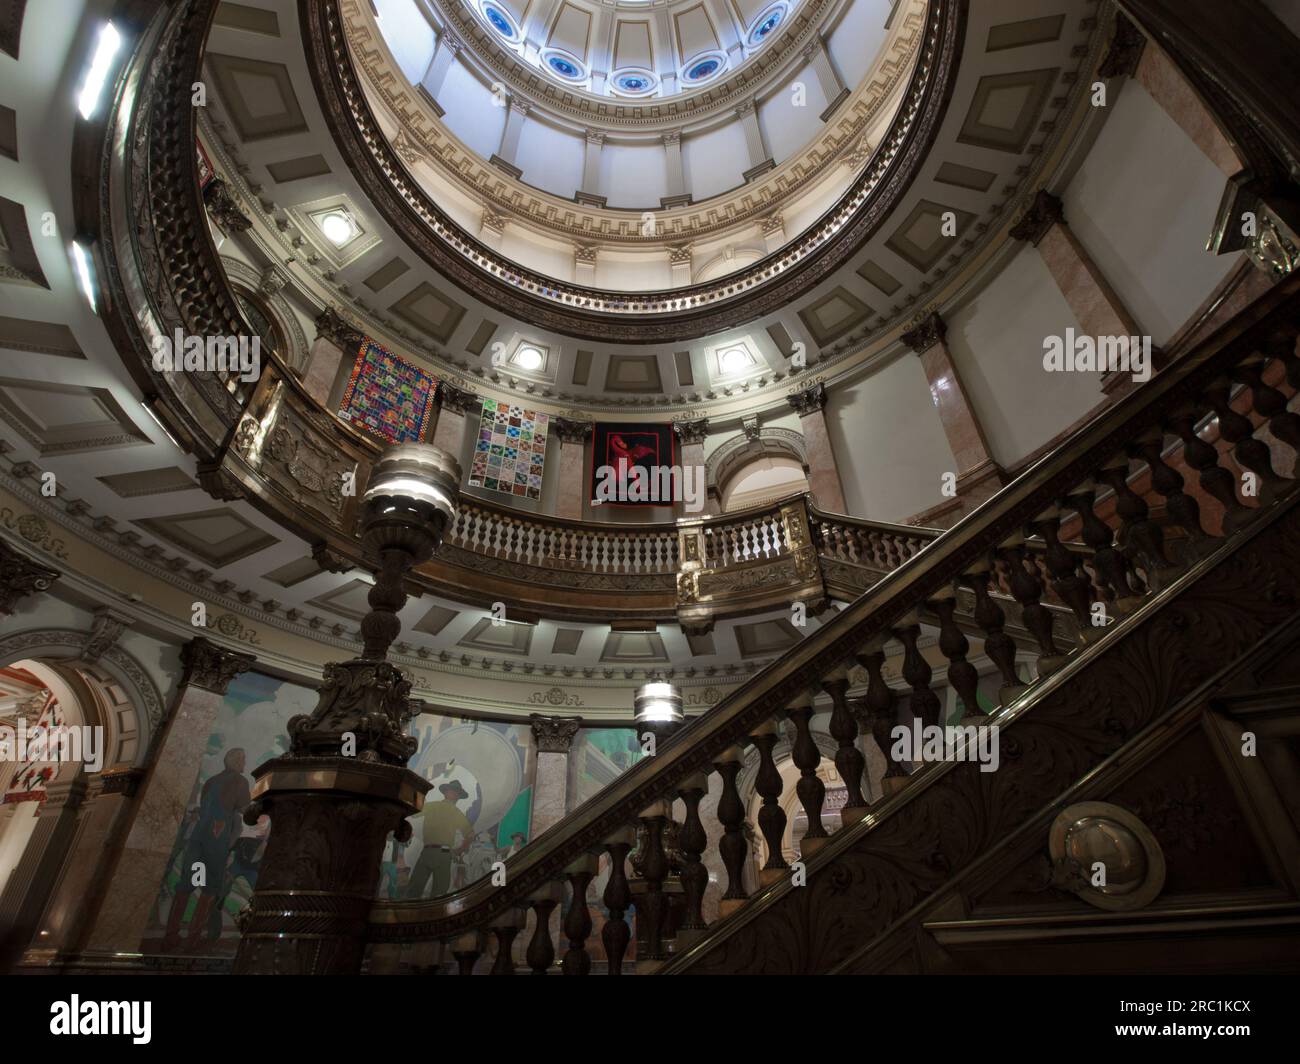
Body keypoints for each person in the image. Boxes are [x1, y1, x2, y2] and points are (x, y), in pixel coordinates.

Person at [161, 747, 250, 951]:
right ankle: (193, 939)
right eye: (243, 759)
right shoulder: (239, 781)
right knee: (210, 889)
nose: (244, 763)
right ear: (235, 761)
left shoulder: (211, 781)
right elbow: (246, 809)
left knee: (187, 885)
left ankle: (171, 935)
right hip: (216, 839)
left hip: (198, 837)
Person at [404, 780, 473, 899]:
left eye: (456, 792)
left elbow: (470, 834)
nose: (454, 794)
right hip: (432, 852)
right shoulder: (434, 807)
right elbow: (413, 813)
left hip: (439, 853)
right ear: (446, 792)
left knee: (436, 893)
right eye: (452, 791)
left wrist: (458, 851)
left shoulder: (452, 812)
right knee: (418, 889)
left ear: (458, 796)